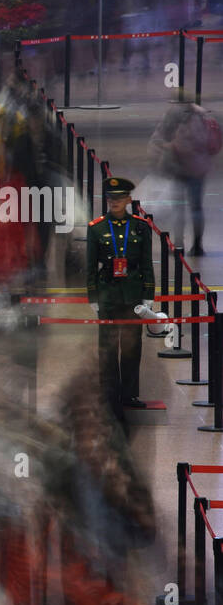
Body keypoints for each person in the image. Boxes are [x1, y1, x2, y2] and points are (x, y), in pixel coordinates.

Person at [87, 177, 155, 423]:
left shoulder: (140, 226)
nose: (114, 202)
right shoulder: (96, 227)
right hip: (108, 294)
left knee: (131, 346)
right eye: (110, 198)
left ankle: (128, 393)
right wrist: (93, 296)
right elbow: (90, 266)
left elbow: (147, 264)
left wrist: (148, 295)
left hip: (133, 294)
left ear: (128, 200)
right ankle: (108, 394)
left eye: (119, 198)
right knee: (106, 346)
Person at [149, 102, 218, 256]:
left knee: (178, 208)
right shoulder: (203, 116)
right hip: (199, 169)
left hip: (179, 169)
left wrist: (166, 148)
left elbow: (161, 137)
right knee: (197, 208)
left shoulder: (175, 115)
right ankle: (197, 246)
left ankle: (178, 244)